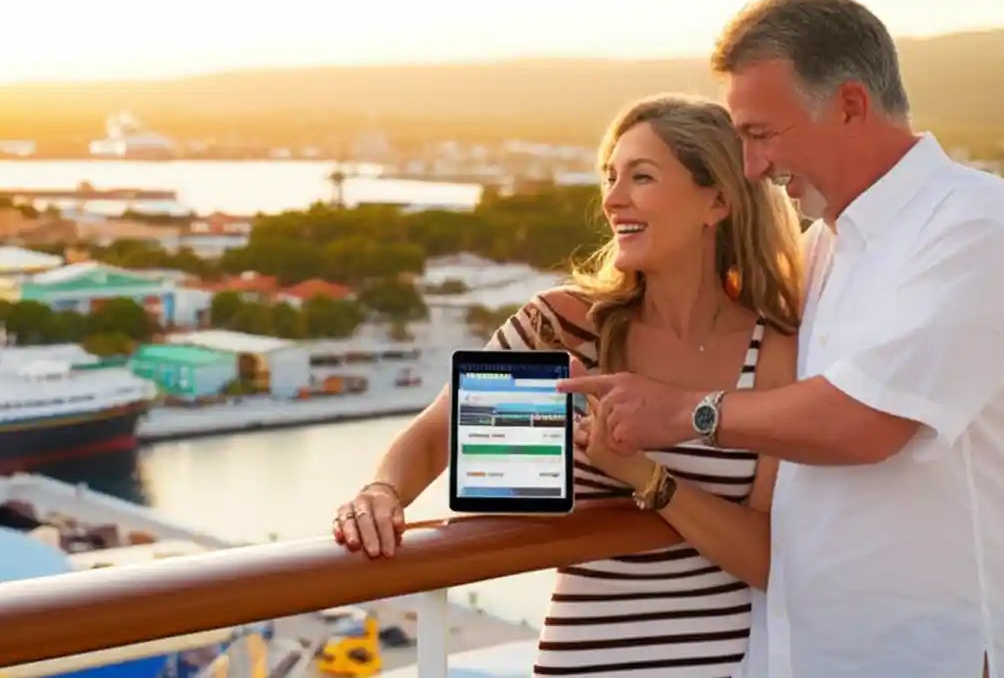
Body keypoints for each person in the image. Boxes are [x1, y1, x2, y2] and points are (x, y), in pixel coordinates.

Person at [558, 0, 1004, 678]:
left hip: (937, 655)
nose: (752, 168)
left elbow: (866, 422)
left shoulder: (974, 227)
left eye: (762, 136)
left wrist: (684, 412)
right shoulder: (822, 249)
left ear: (851, 106)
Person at [332, 93, 805, 676]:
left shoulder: (775, 347)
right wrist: (381, 493)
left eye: (642, 176)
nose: (612, 199)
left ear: (718, 200)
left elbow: (764, 557)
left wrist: (643, 474)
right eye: (610, 177)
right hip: (582, 663)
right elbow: (437, 435)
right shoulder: (562, 324)